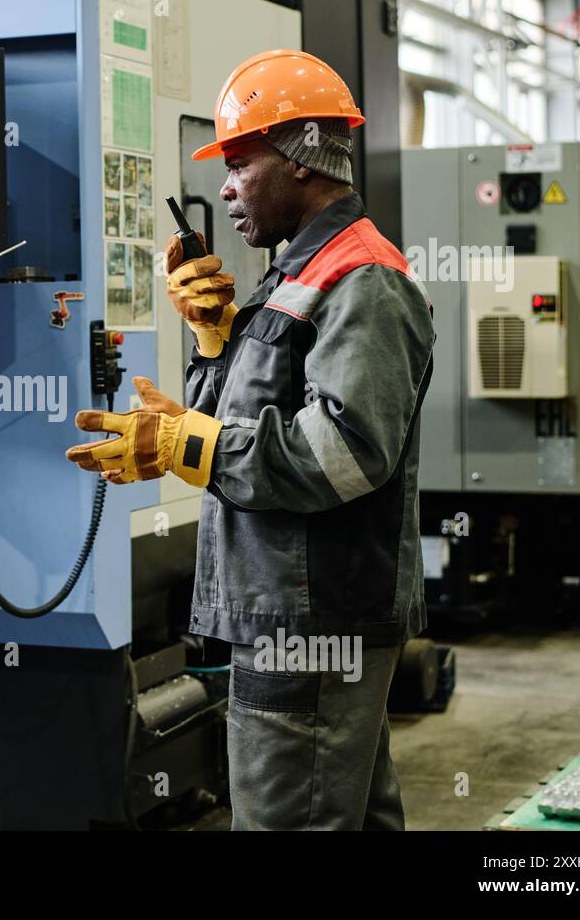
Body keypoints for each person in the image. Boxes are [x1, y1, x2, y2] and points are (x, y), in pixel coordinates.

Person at [66, 50, 435, 829]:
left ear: (302, 157)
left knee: (287, 820)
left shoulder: (361, 280)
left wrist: (185, 444)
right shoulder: (293, 274)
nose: (226, 189)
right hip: (294, 609)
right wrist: (213, 340)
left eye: (240, 164)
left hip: (312, 622)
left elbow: (343, 452)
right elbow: (241, 420)